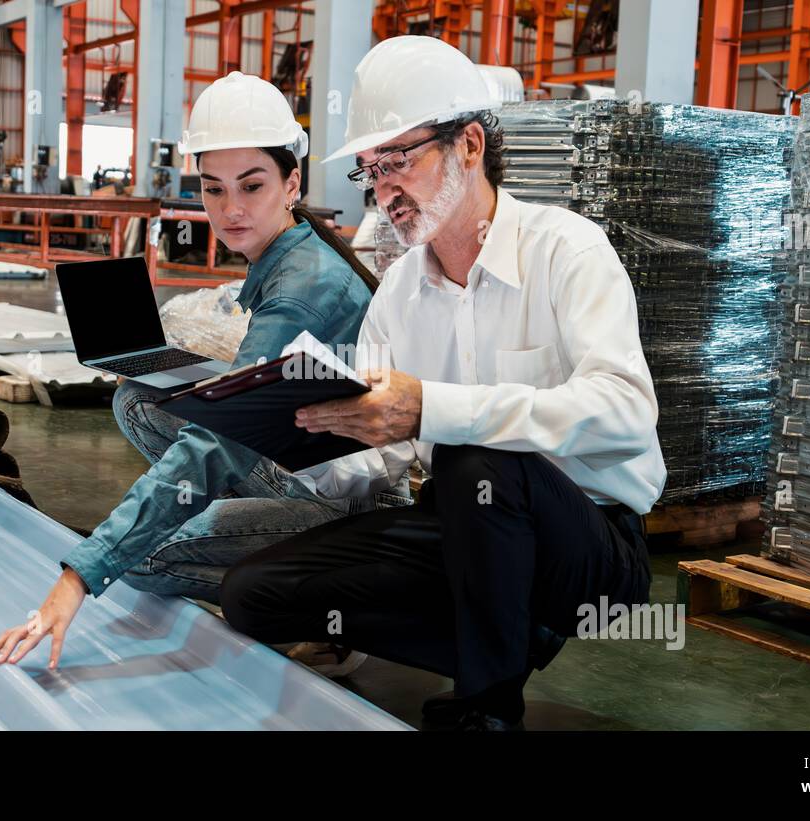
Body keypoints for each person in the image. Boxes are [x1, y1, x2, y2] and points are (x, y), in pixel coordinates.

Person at [220, 37, 667, 730]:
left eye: (399, 161)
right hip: (467, 532)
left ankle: (485, 708)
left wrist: (429, 407)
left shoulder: (567, 251)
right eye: (372, 170)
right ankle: (505, 636)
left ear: (469, 145)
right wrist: (298, 440)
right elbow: (383, 461)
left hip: (589, 544)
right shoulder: (399, 294)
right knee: (254, 593)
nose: (385, 189)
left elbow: (625, 413)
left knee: (470, 453)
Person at [0, 72, 386, 672]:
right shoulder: (292, 253)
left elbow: (218, 442)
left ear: (292, 181)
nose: (231, 209)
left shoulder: (302, 288)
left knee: (143, 557)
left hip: (343, 501)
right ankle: (222, 529)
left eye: (251, 186)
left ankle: (321, 613)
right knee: (138, 398)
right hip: (307, 456)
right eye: (214, 189)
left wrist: (79, 576)